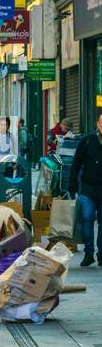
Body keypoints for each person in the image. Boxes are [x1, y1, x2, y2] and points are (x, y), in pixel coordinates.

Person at [70, 112, 102, 268]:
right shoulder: (87, 141)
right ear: (97, 124)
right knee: (88, 219)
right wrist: (72, 186)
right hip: (88, 188)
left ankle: (101, 254)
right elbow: (75, 163)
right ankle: (89, 253)